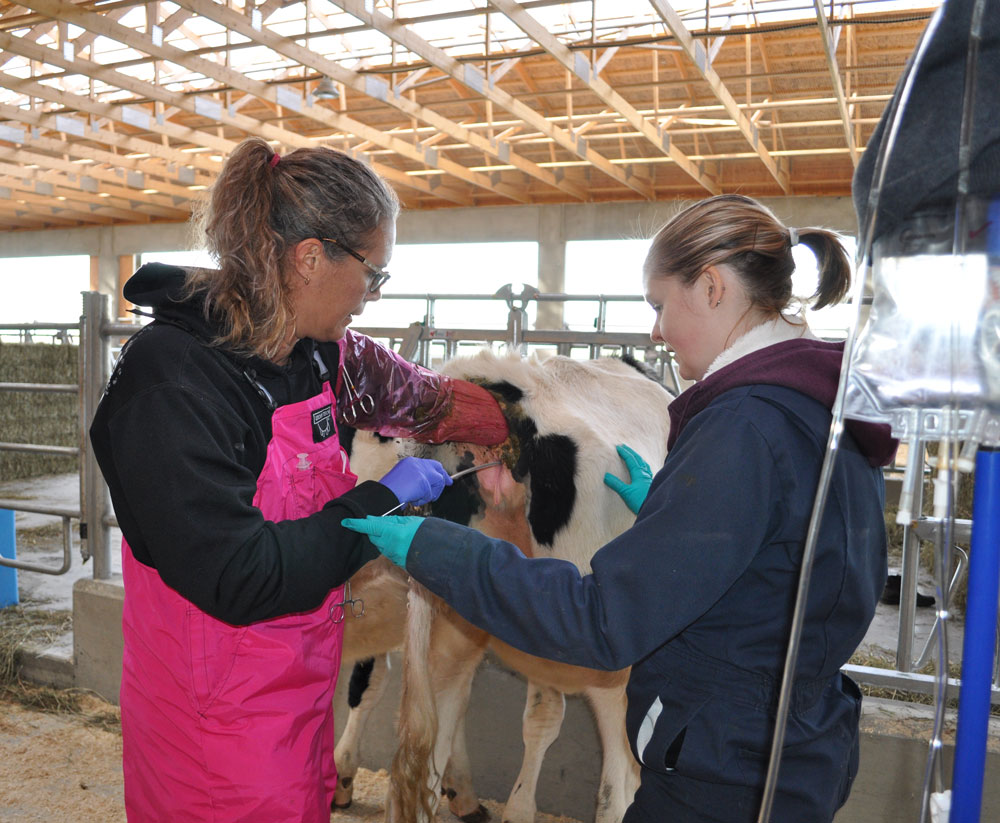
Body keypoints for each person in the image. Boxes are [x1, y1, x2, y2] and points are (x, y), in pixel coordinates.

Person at [344, 194, 897, 822]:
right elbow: (786, 559)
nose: (655, 331)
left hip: (722, 768)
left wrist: (437, 550)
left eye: (660, 305)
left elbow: (603, 622)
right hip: (795, 741)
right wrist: (672, 509)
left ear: (712, 287)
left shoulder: (744, 427)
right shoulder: (819, 406)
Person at [88, 136, 508, 822]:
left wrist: (504, 422)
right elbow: (241, 572)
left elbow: (411, 393)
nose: (373, 297)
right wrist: (384, 499)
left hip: (298, 703)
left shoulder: (314, 352)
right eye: (374, 274)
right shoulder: (174, 379)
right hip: (211, 734)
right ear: (311, 257)